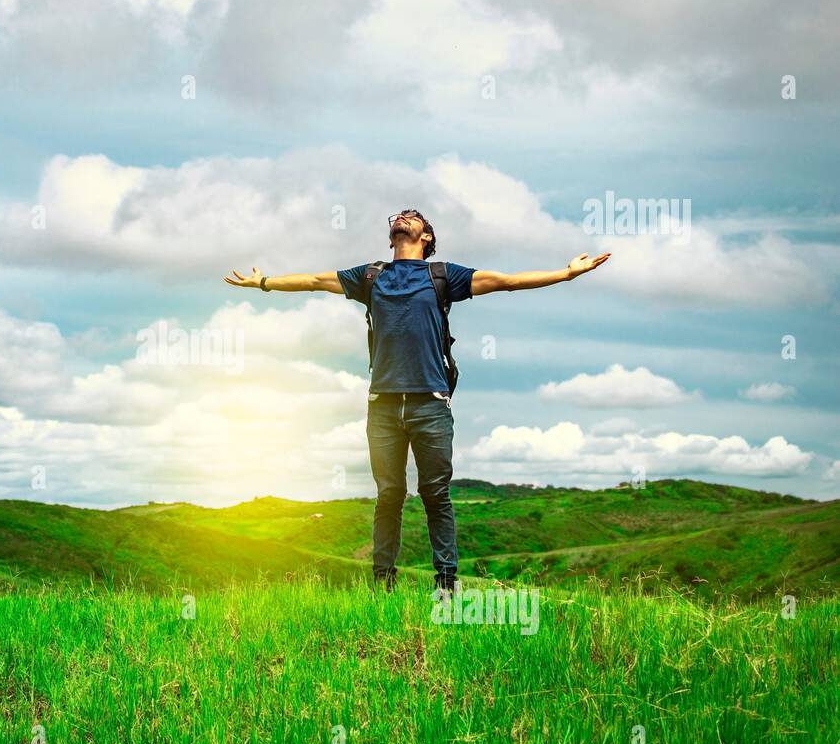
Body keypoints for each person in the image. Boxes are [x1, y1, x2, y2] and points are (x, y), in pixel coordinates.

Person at [224, 208, 610, 592]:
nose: (404, 217)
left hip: (431, 403)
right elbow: (312, 280)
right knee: (389, 495)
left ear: (426, 237)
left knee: (435, 493)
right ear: (391, 237)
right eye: (399, 216)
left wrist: (566, 273)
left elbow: (507, 281)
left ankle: (445, 586)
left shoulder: (442, 276)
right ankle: (383, 589)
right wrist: (265, 282)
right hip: (383, 404)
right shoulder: (371, 276)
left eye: (413, 216)